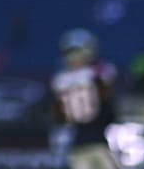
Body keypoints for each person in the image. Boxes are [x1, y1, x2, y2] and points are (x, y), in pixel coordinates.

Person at [51, 28, 120, 169]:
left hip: (79, 144)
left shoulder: (60, 81)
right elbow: (110, 112)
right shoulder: (99, 75)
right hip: (94, 143)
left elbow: (58, 117)